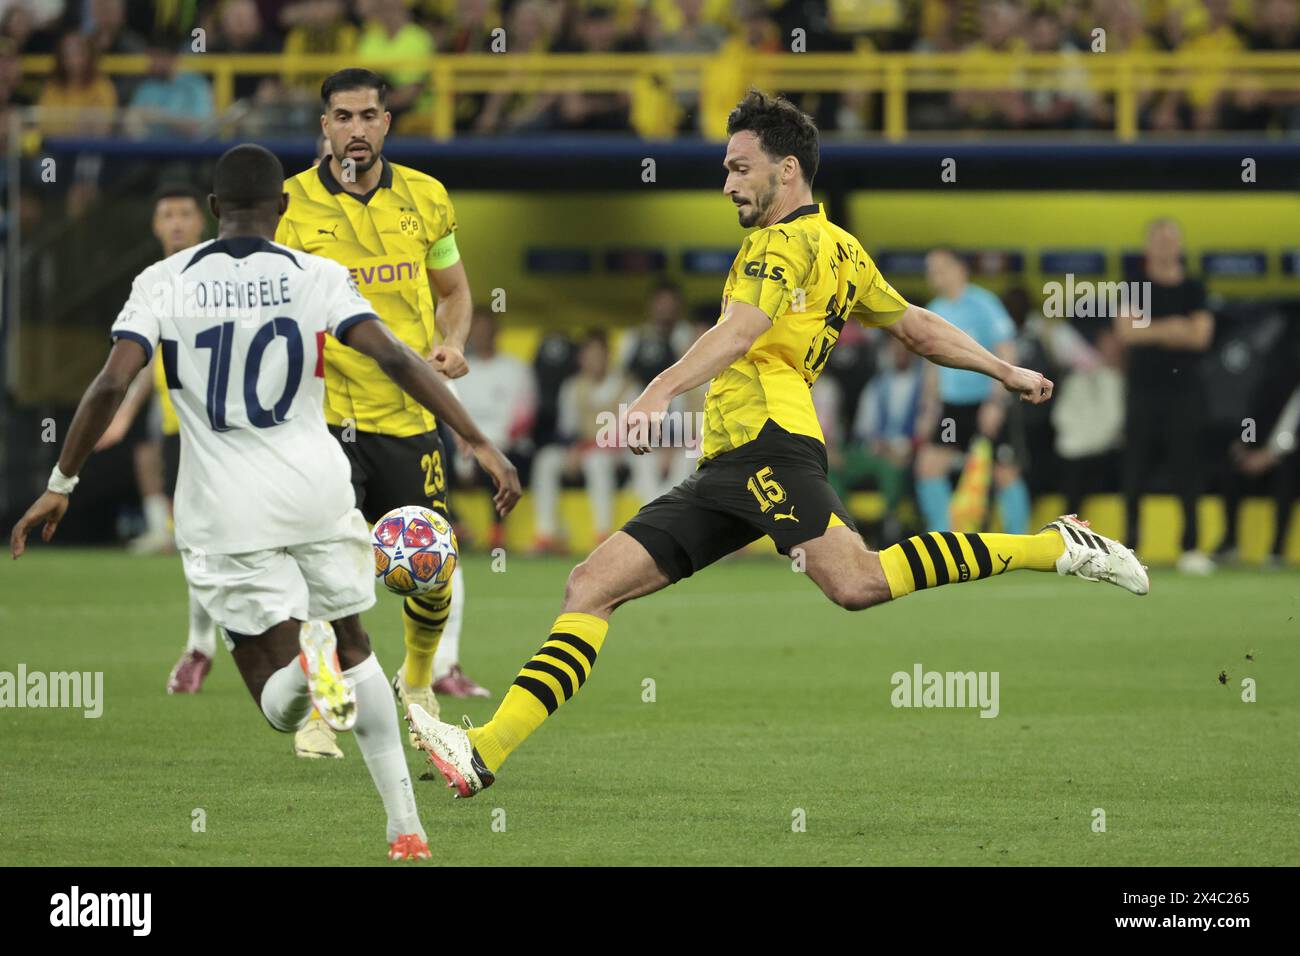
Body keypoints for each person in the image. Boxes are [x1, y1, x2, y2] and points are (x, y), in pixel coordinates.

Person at [405, 91, 1149, 798]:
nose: (726, 182)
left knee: (857, 583)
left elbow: (741, 332)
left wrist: (657, 393)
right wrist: (1001, 366)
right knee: (590, 586)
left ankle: (1055, 548)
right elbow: (914, 323)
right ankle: (485, 750)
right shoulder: (839, 248)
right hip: (729, 463)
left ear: (784, 170)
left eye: (739, 167)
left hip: (767, 446)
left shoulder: (778, 247)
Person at [9, 144, 520, 858]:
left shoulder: (161, 281)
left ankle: (306, 669)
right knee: (359, 650)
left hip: (224, 508)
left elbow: (107, 386)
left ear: (214, 211)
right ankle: (406, 829)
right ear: (284, 209)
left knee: (278, 700)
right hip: (316, 487)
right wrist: (478, 443)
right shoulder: (317, 274)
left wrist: (60, 484)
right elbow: (399, 357)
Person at [274, 68, 485, 756]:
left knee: (431, 566)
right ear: (324, 125)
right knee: (325, 568)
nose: (356, 129)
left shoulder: (427, 198)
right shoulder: (289, 206)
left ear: (387, 124)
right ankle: (321, 707)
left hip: (407, 414)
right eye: (343, 116)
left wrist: (452, 343)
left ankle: (418, 682)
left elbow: (453, 290)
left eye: (369, 116)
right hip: (322, 417)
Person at [94, 184, 219, 693]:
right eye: (166, 214)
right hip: (178, 426)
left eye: (184, 213)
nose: (175, 222)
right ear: (155, 225)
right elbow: (143, 357)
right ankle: (200, 646)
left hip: (233, 427)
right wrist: (122, 416)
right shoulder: (153, 283)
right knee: (193, 540)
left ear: (201, 222)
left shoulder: (221, 274)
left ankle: (291, 645)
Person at [1114, 218, 1215, 574]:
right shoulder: (1136, 285)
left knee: (1187, 468)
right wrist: (1174, 327)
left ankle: (1190, 547)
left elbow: (1201, 337)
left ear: (1180, 245)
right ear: (1147, 246)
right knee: (1135, 469)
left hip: (1185, 392)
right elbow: (1127, 333)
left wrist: (1152, 329)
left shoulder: (1194, 287)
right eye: (1157, 239)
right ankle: (1129, 549)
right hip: (1143, 390)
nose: (1164, 245)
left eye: (1171, 239)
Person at [915, 247, 1031, 535]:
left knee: (1004, 472)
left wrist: (996, 401)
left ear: (959, 269)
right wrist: (929, 408)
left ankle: (1019, 542)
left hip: (985, 403)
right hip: (953, 409)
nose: (933, 275)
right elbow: (932, 365)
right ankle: (944, 536)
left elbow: (1007, 352)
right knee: (929, 465)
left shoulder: (984, 304)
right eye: (930, 270)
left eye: (940, 268)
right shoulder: (933, 309)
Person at [530, 331, 638, 551]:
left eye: (599, 355)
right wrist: (573, 450)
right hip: (582, 452)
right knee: (546, 460)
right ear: (581, 358)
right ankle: (547, 535)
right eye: (588, 355)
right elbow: (567, 430)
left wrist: (588, 450)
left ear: (609, 356)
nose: (593, 360)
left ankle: (602, 535)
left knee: (597, 461)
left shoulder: (627, 386)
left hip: (621, 455)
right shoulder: (572, 386)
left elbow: (627, 432)